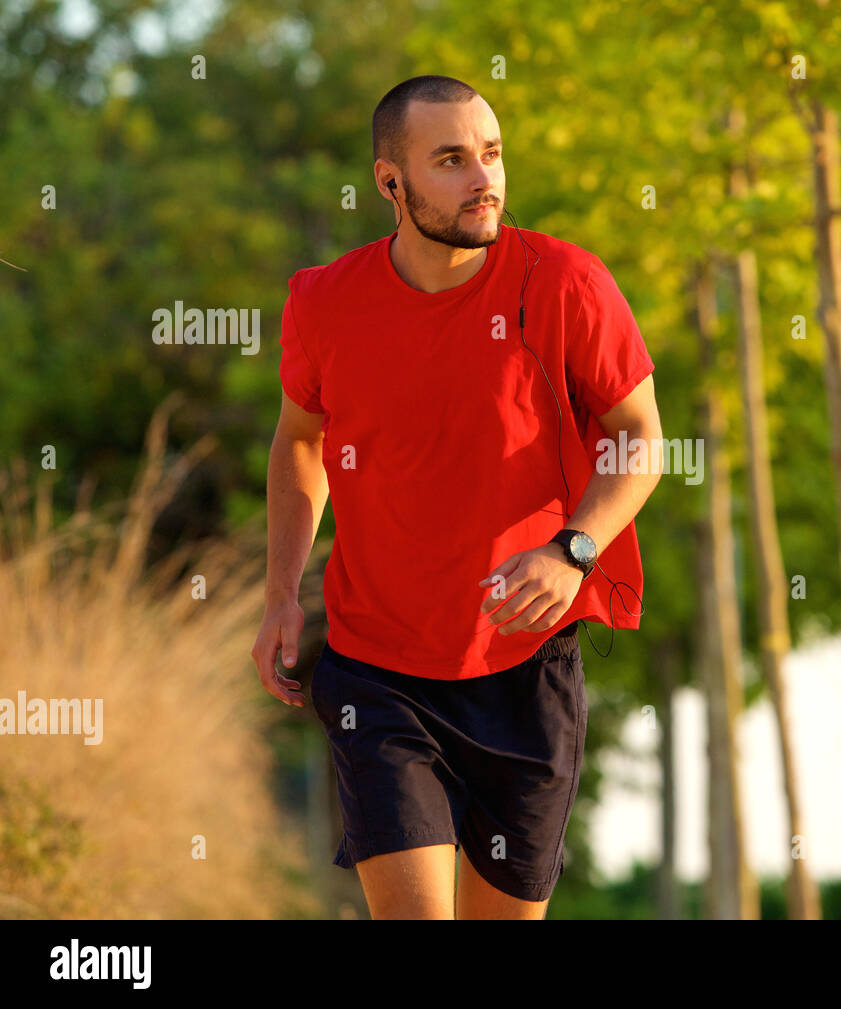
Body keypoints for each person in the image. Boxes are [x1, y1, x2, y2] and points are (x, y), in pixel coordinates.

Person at [251, 75, 662, 919]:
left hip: (525, 663)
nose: (485, 179)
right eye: (451, 160)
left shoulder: (565, 283)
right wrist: (281, 592)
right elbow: (301, 440)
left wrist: (572, 549)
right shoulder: (326, 303)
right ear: (389, 183)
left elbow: (639, 438)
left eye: (492, 153)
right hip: (378, 667)